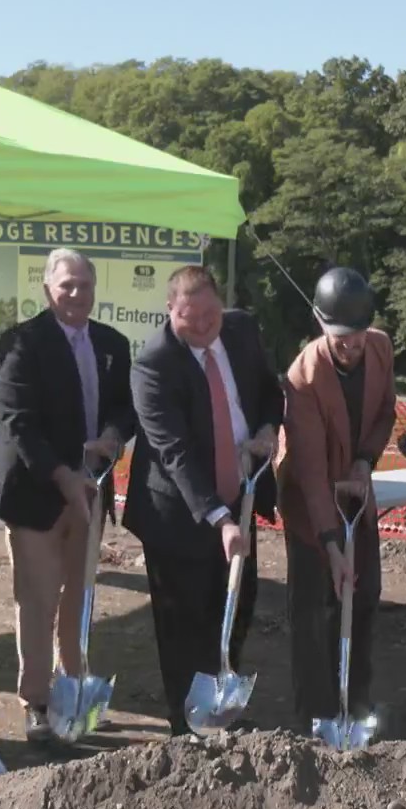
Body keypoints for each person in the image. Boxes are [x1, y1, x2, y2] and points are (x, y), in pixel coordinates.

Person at [124, 266, 282, 735]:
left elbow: (270, 391)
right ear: (171, 311)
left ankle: (220, 706)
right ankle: (187, 727)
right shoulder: (152, 365)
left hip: (241, 497)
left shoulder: (241, 329)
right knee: (184, 623)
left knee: (237, 602)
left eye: (211, 314)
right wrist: (219, 520)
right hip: (178, 513)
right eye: (191, 319)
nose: (204, 326)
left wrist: (268, 428)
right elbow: (175, 454)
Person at [0, 248, 137, 742]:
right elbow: (18, 421)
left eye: (84, 285)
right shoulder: (22, 343)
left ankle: (72, 690)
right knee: (37, 600)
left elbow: (126, 408)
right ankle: (35, 701)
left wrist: (114, 440)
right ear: (47, 289)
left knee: (80, 596)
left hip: (92, 492)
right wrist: (62, 474)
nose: (76, 294)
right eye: (66, 285)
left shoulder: (113, 344)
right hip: (36, 495)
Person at [276, 267, 397, 733]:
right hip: (311, 505)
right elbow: (308, 469)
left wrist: (366, 459)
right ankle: (316, 714)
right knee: (314, 607)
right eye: (338, 336)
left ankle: (356, 702)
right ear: (319, 323)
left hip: (356, 495)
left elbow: (386, 411)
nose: (349, 344)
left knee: (363, 595)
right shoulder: (303, 377)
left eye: (357, 335)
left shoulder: (381, 349)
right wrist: (330, 545)